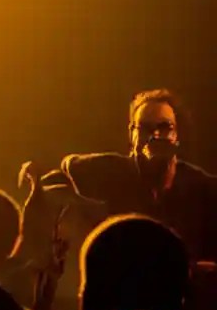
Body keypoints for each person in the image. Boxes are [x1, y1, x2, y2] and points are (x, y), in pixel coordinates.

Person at [40, 89, 217, 261]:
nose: (155, 135)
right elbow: (70, 165)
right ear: (132, 134)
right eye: (145, 128)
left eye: (164, 127)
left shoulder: (202, 187)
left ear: (175, 134)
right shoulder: (110, 170)